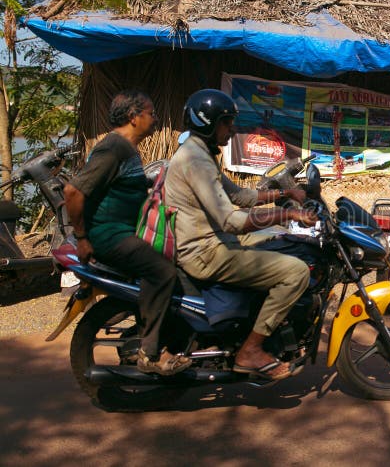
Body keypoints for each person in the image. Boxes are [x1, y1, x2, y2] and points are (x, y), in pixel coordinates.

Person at [165, 89, 317, 381]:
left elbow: (241, 195)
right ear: (208, 123)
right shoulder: (195, 160)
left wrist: (287, 193)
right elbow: (232, 220)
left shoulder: (201, 154)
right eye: (226, 122)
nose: (232, 129)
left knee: (281, 239)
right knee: (296, 272)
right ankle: (251, 351)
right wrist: (289, 214)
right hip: (206, 251)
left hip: (214, 239)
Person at [64, 90, 191, 375]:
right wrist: (82, 238)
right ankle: (151, 352)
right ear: (134, 118)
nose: (156, 119)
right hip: (109, 236)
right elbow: (72, 191)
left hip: (123, 231)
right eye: (151, 113)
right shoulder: (114, 148)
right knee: (162, 272)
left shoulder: (127, 149)